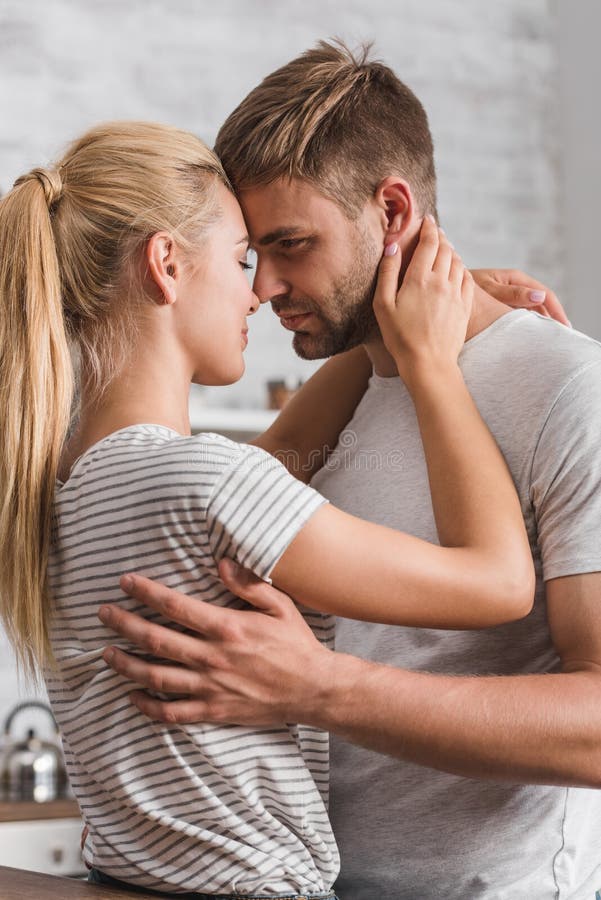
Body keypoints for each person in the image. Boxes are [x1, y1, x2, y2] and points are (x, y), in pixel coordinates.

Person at [100, 42, 601, 900]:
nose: (264, 288)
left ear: (393, 211)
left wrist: (321, 690)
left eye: (291, 245)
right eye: (254, 254)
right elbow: (215, 542)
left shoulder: (568, 389)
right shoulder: (341, 396)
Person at [0, 119, 540, 898]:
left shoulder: (71, 491)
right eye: (241, 258)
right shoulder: (206, 483)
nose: (258, 290)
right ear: (165, 264)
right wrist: (430, 362)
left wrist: (393, 321)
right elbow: (496, 584)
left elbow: (277, 455)